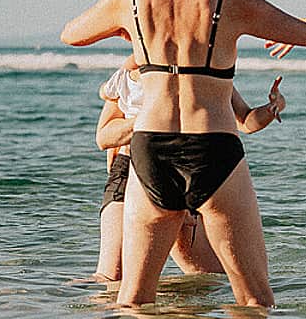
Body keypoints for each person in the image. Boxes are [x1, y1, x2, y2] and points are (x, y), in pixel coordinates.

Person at [62, 0, 306, 306]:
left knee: (133, 299)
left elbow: (71, 34)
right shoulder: (232, 4)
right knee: (255, 300)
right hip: (213, 148)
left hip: (150, 148)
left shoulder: (129, 0)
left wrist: (127, 30)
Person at [94, 58, 286, 282]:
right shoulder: (136, 67)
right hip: (131, 169)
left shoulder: (209, 64)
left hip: (188, 170)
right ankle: (61, 304)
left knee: (209, 277)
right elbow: (103, 137)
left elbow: (245, 121)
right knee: (112, 275)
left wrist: (274, 108)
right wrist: (152, 121)